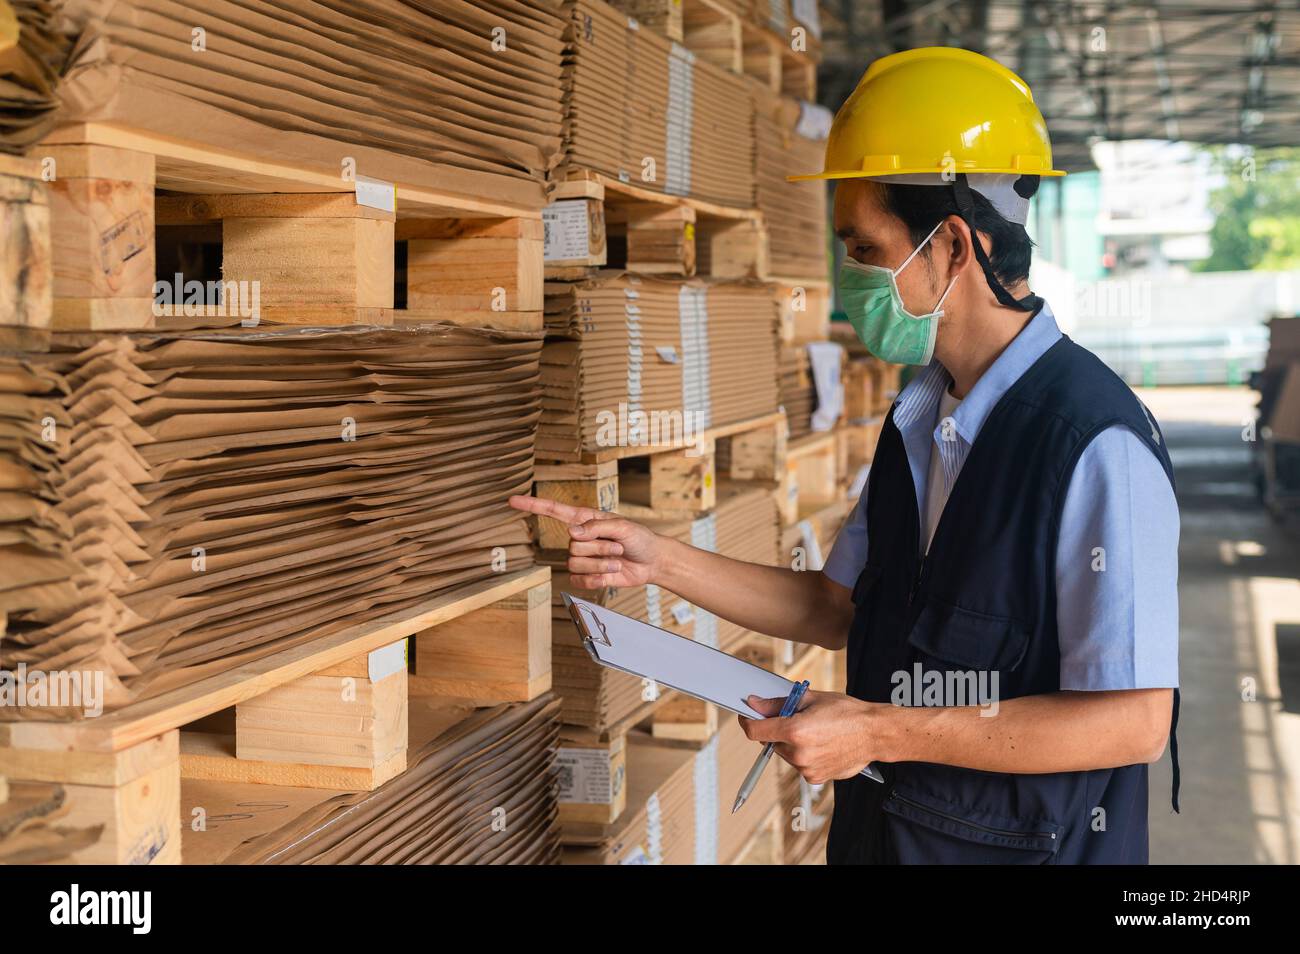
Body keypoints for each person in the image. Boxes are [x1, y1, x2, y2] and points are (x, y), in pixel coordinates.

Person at [511, 47, 1180, 864]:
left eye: (864, 250)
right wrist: (657, 560)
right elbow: (836, 609)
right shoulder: (920, 420)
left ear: (953, 247)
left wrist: (877, 730)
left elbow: (1134, 722)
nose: (848, 278)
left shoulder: (1094, 443)